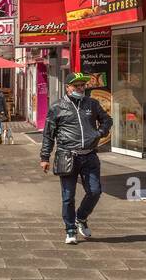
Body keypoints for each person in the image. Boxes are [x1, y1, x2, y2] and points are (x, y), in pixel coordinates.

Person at [40, 72, 113, 245]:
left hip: (89, 156)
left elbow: (107, 120)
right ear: (67, 87)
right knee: (68, 196)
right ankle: (70, 229)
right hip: (67, 155)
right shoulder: (57, 107)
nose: (80, 88)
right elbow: (48, 134)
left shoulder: (92, 104)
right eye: (76, 85)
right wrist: (45, 157)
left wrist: (99, 133)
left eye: (83, 85)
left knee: (95, 191)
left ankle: (81, 217)